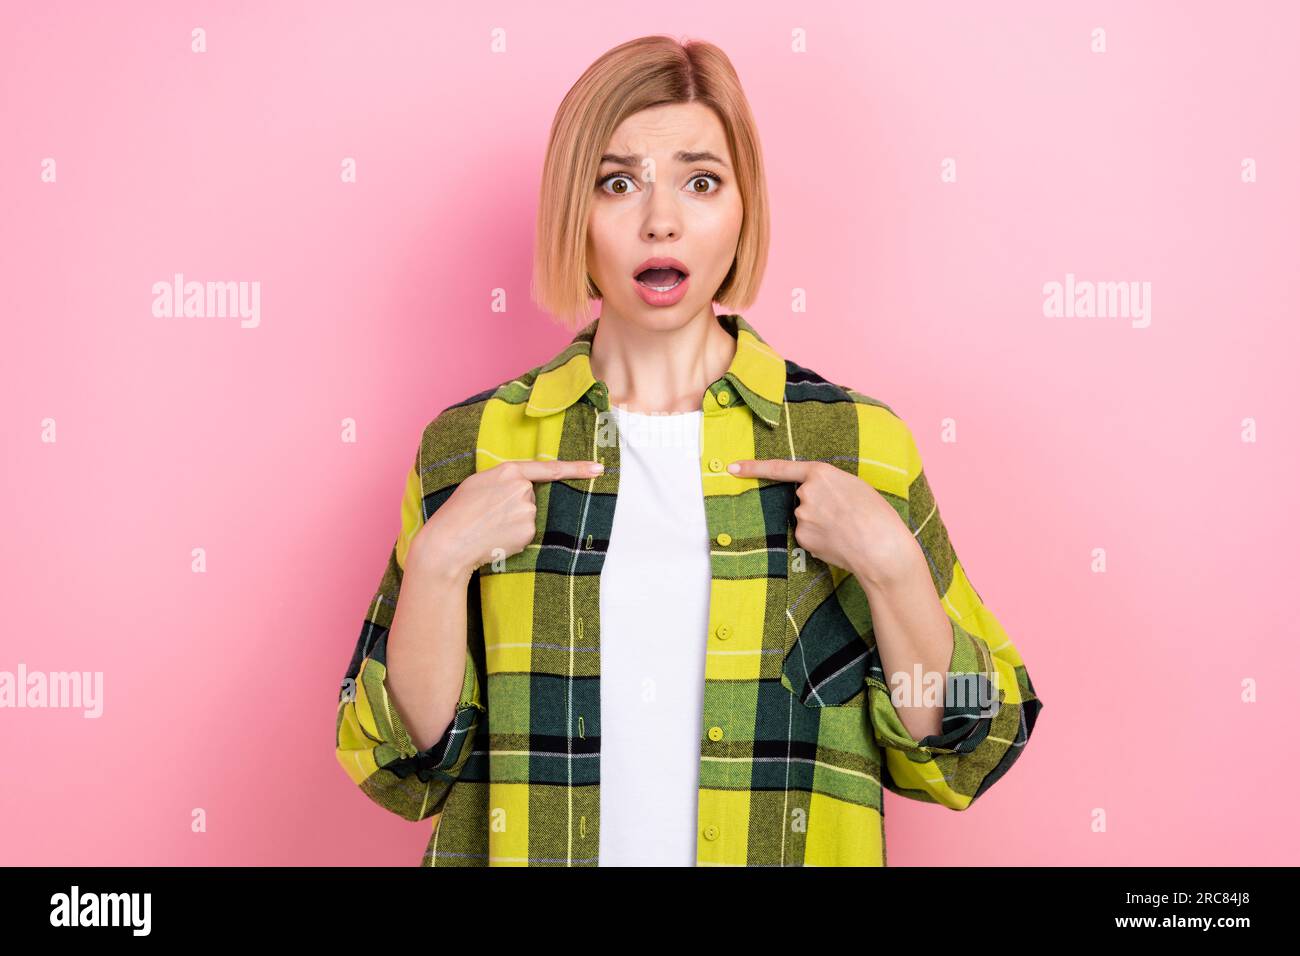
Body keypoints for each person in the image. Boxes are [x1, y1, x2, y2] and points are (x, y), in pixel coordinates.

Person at [335, 34, 1043, 867]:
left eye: (700, 181)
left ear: (743, 209)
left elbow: (973, 738)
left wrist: (892, 566)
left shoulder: (853, 442)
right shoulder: (476, 444)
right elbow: (399, 766)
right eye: (618, 182)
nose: (660, 218)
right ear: (576, 210)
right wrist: (440, 565)